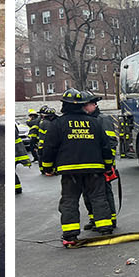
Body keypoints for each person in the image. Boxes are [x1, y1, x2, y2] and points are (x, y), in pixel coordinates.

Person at [40, 89, 119, 246]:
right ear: (82, 105)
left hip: (70, 171)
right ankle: (105, 229)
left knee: (69, 200)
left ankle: (70, 235)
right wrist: (108, 164)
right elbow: (105, 146)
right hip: (95, 169)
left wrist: (47, 167)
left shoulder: (57, 124)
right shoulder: (94, 122)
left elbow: (49, 148)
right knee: (98, 197)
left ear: (64, 105)